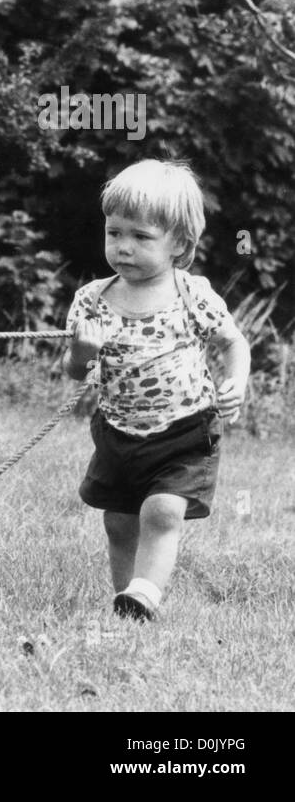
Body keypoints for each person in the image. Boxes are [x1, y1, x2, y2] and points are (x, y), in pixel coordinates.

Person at [64, 159, 250, 621]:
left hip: (186, 430)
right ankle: (127, 603)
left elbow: (233, 342)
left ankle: (147, 593)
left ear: (180, 244)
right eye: (115, 233)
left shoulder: (194, 295)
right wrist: (84, 351)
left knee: (163, 511)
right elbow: (74, 370)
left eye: (141, 237)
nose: (123, 247)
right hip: (118, 430)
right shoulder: (92, 300)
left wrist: (237, 380)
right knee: (119, 522)